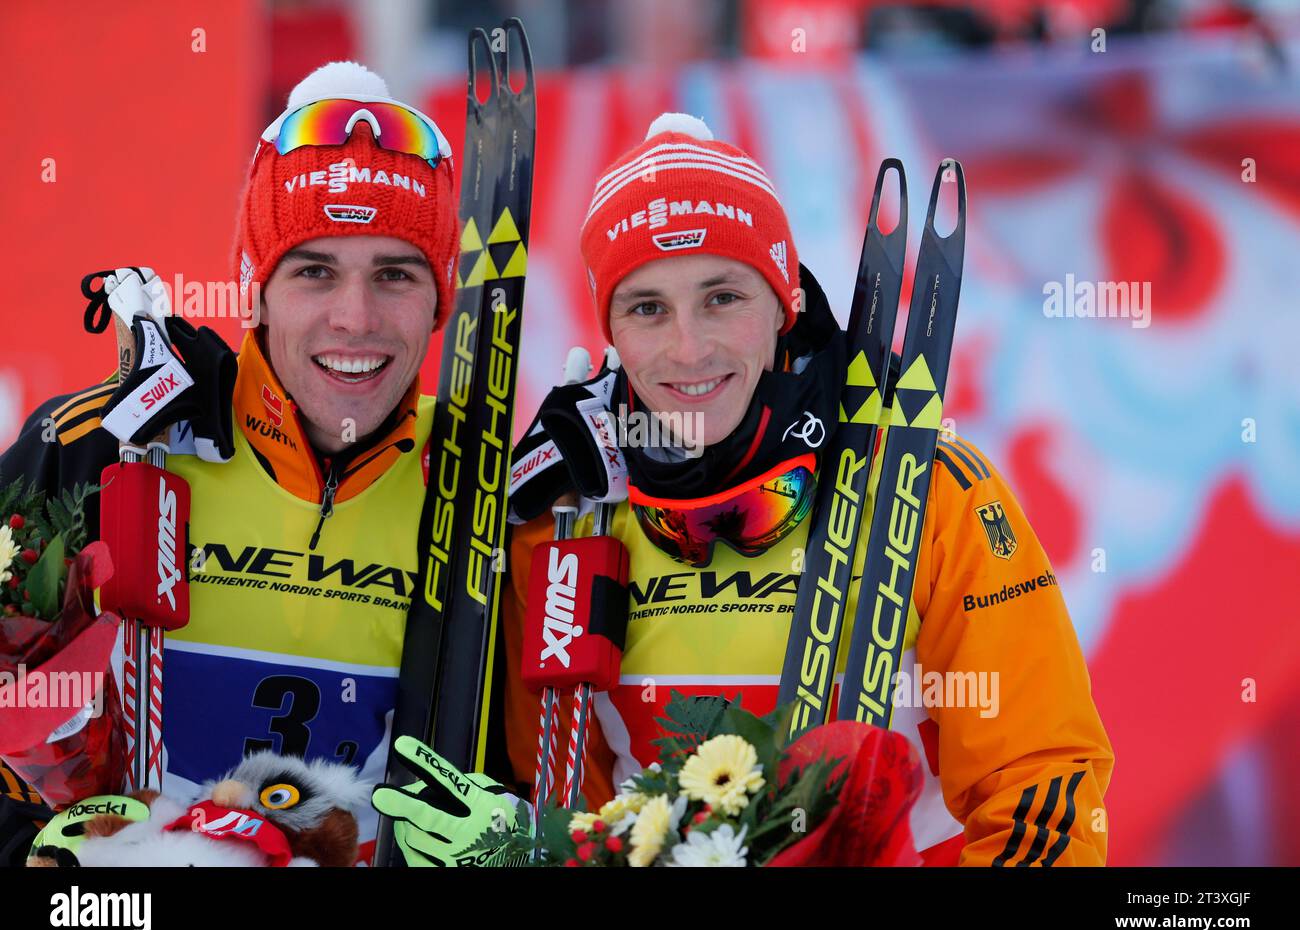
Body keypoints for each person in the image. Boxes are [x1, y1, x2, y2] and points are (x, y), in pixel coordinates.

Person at [497, 114, 1115, 866]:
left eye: (723, 296)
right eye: (648, 307)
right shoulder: (565, 514)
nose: (689, 348)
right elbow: (564, 804)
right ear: (610, 329)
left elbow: (1039, 784)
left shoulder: (930, 491)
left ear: (784, 300)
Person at [0, 61, 463, 865]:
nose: (354, 318)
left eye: (395, 274)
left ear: (439, 300)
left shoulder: (474, 484)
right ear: (254, 290)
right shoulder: (102, 445)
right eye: (314, 272)